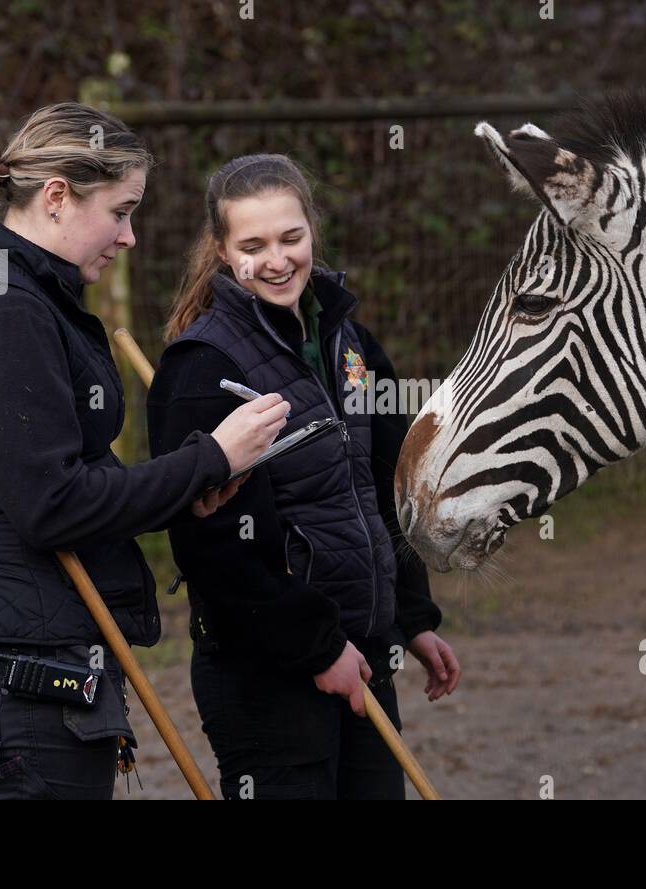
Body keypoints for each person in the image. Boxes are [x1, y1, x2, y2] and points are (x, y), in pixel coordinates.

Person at [0, 103, 287, 799]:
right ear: (57, 197)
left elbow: (76, 483)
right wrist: (210, 455)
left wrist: (192, 482)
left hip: (38, 647)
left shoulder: (32, 296)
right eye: (121, 211)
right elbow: (52, 506)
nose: (129, 236)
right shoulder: (4, 308)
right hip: (16, 664)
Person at [147, 153, 461, 800]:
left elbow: (384, 486)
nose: (278, 259)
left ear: (312, 231)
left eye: (291, 238)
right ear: (223, 250)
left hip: (366, 650)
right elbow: (211, 549)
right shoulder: (202, 368)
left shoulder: (351, 342)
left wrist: (413, 615)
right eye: (253, 244)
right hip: (267, 669)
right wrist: (317, 647)